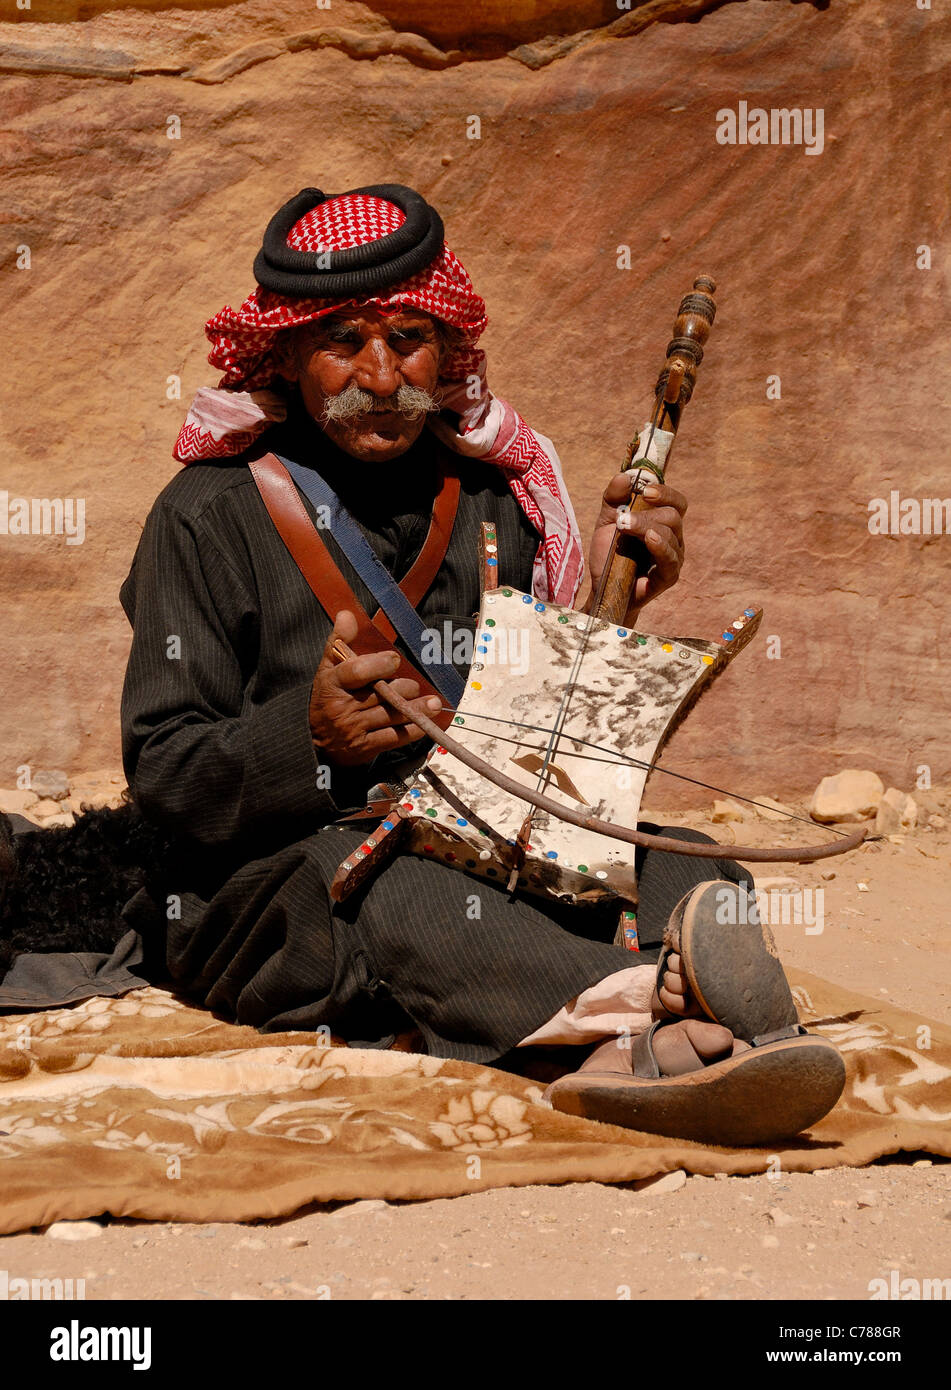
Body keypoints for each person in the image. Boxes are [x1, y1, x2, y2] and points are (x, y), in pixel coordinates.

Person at [119, 184, 845, 1145]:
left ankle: (633, 1011)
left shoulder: (495, 498)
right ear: (288, 354)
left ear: (448, 349)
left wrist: (613, 597)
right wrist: (309, 737)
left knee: (682, 871)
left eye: (409, 339)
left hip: (476, 843)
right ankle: (638, 1033)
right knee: (402, 881)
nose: (381, 376)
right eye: (343, 342)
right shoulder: (207, 515)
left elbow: (536, 739)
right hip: (269, 890)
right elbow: (166, 775)